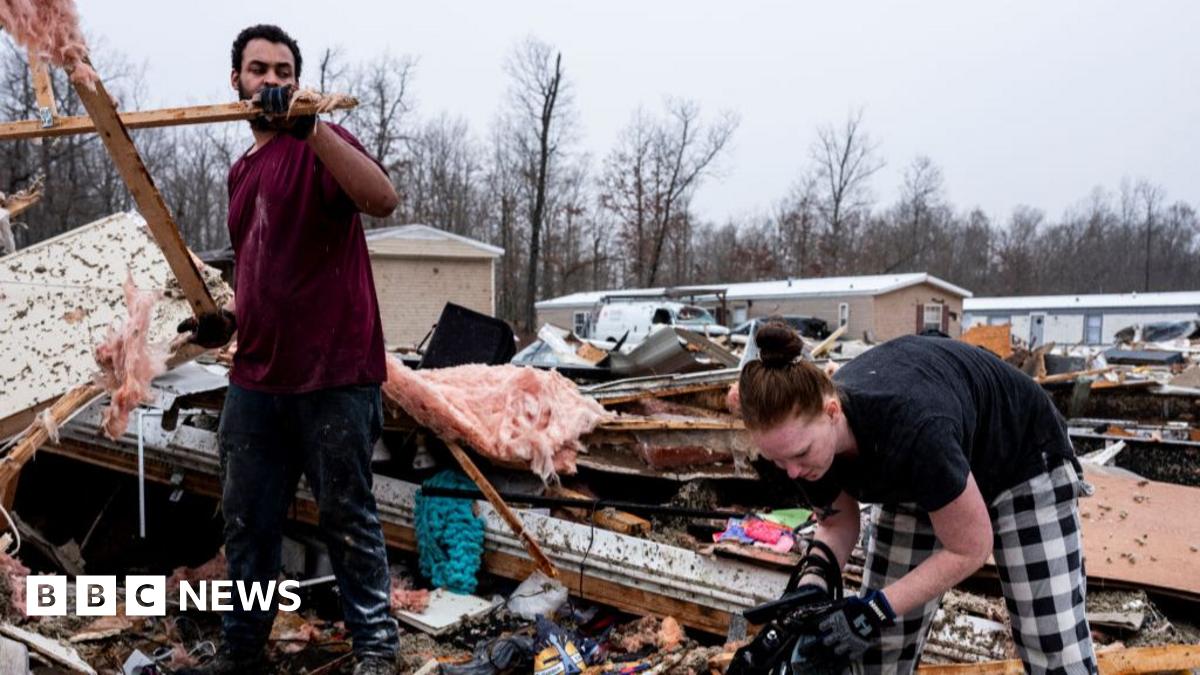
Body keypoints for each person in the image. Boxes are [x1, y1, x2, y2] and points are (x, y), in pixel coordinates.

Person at [176, 24, 400, 675]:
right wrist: (225, 322)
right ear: (236, 82)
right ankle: (244, 649)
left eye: (282, 71)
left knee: (347, 517)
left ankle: (377, 650)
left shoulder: (320, 142)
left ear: (297, 82)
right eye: (258, 70)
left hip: (334, 373)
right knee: (248, 525)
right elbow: (261, 272)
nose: (271, 81)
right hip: (258, 379)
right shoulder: (241, 171)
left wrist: (312, 129)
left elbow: (381, 198)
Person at [738, 323, 1096, 675]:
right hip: (923, 477)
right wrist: (813, 583)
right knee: (879, 648)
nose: (793, 472)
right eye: (778, 461)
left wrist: (872, 611)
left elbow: (970, 547)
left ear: (832, 412)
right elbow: (836, 522)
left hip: (1021, 459)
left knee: (1051, 642)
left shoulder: (914, 427)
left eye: (799, 455)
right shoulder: (806, 449)